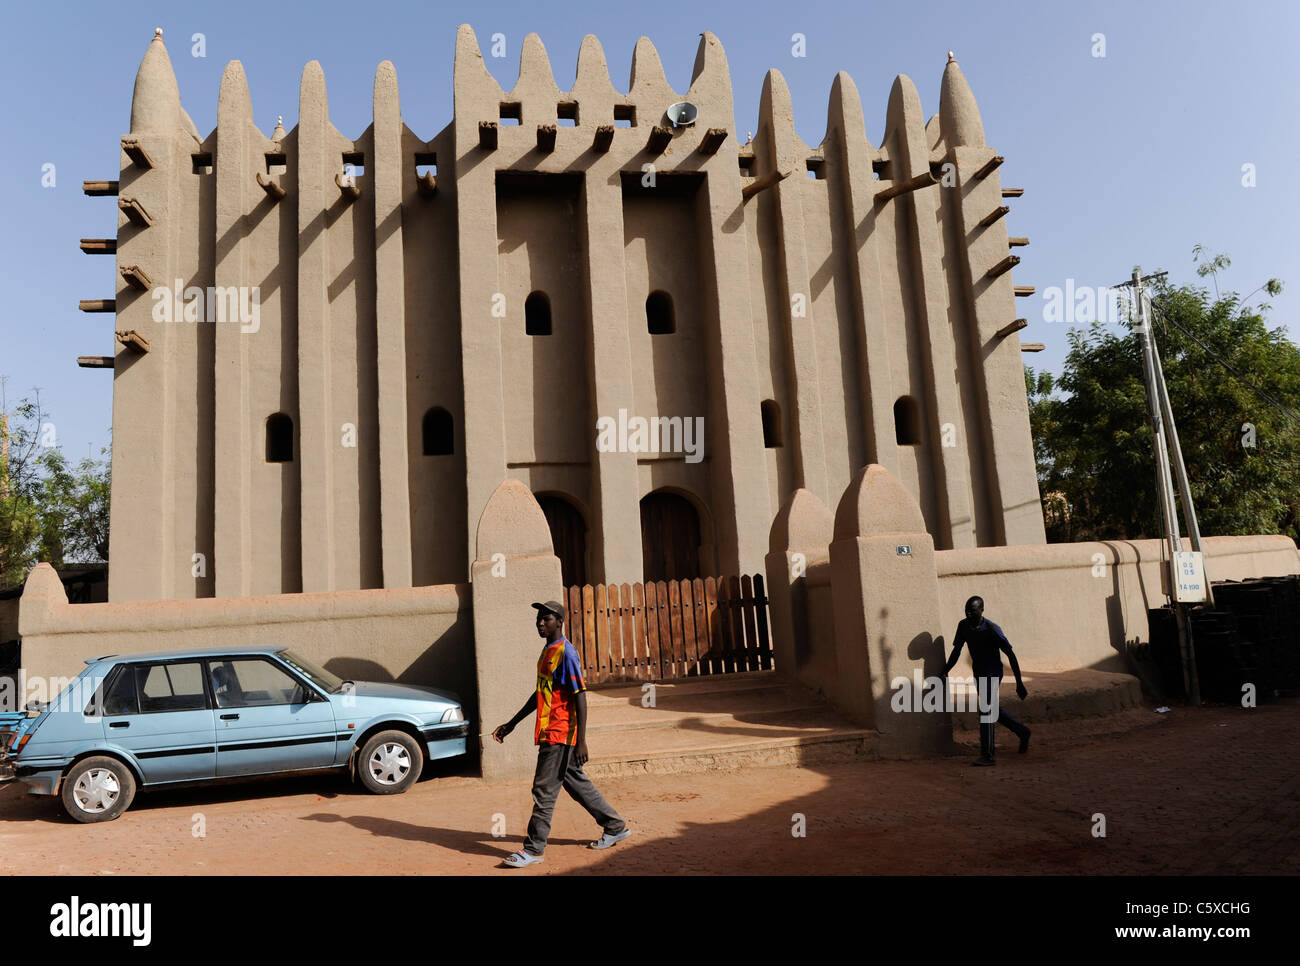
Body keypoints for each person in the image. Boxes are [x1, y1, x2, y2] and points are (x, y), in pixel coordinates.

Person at [493, 600, 631, 867]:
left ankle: (533, 850)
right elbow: (541, 694)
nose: (540, 623)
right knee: (575, 783)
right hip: (550, 731)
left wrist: (582, 740)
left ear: (560, 622)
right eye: (538, 619)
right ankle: (615, 826)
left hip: (560, 733)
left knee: (543, 790)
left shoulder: (566, 653)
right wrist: (512, 723)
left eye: (546, 619)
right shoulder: (548, 652)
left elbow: (580, 696)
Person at [938, 595, 1031, 766]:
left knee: (986, 709)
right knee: (991, 709)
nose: (968, 614)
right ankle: (1022, 731)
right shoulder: (963, 626)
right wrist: (945, 671)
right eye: (966, 611)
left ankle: (987, 755)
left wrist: (1019, 682)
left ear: (982, 610)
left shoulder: (992, 629)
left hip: (993, 672)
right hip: (979, 673)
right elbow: (957, 651)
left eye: (972, 611)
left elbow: (1010, 655)